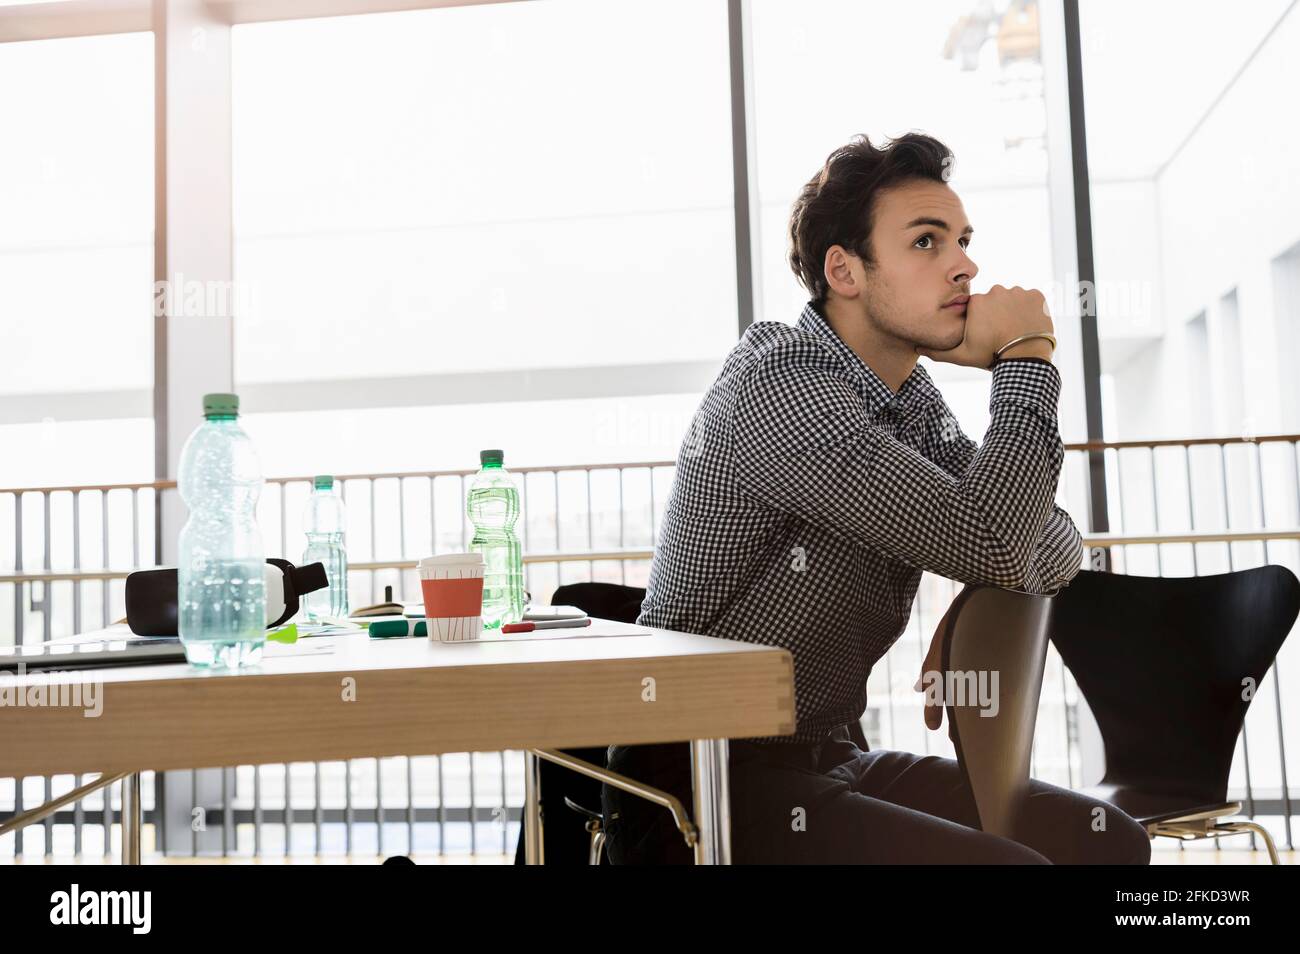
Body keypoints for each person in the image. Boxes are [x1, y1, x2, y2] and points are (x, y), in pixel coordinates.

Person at [601, 133, 1151, 865]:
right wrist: (1026, 358)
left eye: (961, 239)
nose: (965, 265)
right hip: (697, 780)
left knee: (1109, 845)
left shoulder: (908, 397)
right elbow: (996, 537)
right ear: (845, 271)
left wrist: (990, 569)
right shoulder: (782, 386)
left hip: (825, 754)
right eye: (926, 242)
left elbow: (1045, 544)